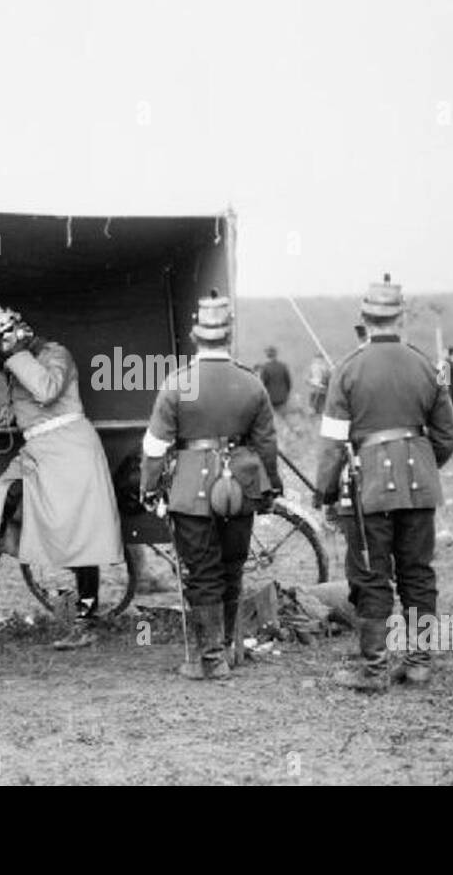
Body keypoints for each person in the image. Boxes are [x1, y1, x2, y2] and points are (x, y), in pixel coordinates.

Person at [314, 275, 453, 691]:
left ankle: (374, 670)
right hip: (418, 488)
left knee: (371, 575)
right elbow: (447, 435)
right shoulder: (426, 365)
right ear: (400, 317)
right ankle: (418, 664)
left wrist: (324, 492)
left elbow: (332, 443)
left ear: (364, 318)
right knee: (417, 573)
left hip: (367, 490)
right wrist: (424, 468)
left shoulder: (348, 370)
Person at [140, 290, 281, 680]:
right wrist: (270, 489)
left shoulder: (178, 384)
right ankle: (230, 652)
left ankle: (211, 658)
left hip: (190, 490)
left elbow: (155, 447)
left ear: (194, 335)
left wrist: (150, 487)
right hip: (241, 488)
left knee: (202, 572)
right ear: (229, 336)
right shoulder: (252, 384)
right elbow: (267, 445)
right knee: (232, 568)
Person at [0, 294, 123, 650]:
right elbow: (2, 419)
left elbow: (46, 389)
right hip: (37, 450)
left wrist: (15, 358)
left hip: (72, 449)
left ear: (22, 332)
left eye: (6, 340)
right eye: (0, 345)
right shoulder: (13, 364)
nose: (4, 348)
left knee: (80, 533)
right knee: (0, 494)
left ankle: (86, 621)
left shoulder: (56, 354)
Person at [258, 345, 292, 412]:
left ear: (267, 355)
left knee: (273, 419)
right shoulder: (283, 366)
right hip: (283, 398)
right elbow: (288, 382)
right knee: (283, 419)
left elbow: (262, 384)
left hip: (270, 399)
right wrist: (286, 394)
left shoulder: (265, 368)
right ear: (276, 355)